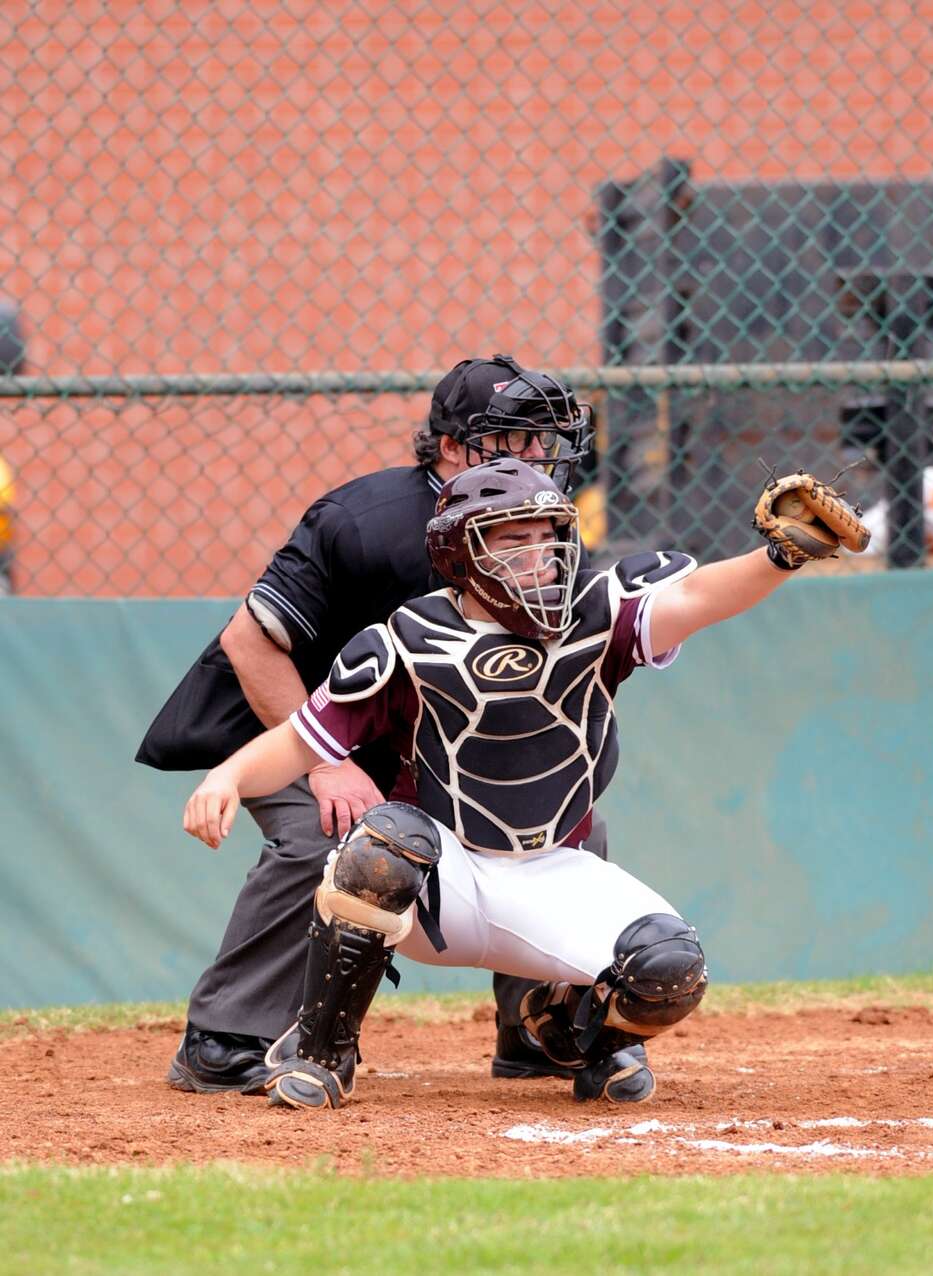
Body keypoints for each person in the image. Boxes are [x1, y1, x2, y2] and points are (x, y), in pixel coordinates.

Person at [180, 456, 833, 1111]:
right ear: (459, 552)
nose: (537, 554)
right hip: (443, 880)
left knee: (669, 970)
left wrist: (778, 556)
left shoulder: (598, 611)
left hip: (553, 872)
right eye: (512, 539)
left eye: (546, 535)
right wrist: (231, 775)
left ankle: (568, 1031)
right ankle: (323, 1053)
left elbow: (695, 597)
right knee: (383, 842)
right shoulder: (407, 639)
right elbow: (301, 743)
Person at [138, 355, 598, 1094]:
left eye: (545, 439)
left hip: (417, 742)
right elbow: (249, 642)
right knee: (327, 833)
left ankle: (542, 1028)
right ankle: (225, 1039)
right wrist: (324, 761)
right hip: (290, 723)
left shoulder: (541, 534)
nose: (539, 457)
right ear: (452, 448)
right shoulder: (371, 522)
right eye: (516, 438)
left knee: (568, 824)